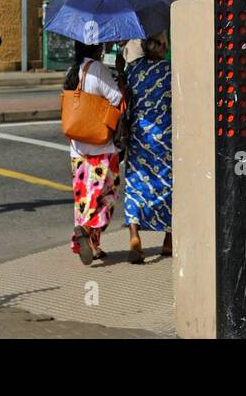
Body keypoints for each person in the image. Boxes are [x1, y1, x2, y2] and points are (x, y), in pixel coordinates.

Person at [65, 41, 124, 265]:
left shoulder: (72, 70)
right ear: (96, 48)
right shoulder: (97, 68)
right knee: (106, 196)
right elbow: (116, 97)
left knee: (84, 200)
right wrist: (120, 74)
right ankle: (88, 229)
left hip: (78, 148)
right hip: (101, 147)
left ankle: (92, 245)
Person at [123, 32, 173, 263]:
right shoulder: (169, 71)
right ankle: (168, 239)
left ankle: (134, 235)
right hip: (164, 138)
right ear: (161, 46)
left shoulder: (133, 70)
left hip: (139, 135)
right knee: (167, 185)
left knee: (136, 184)